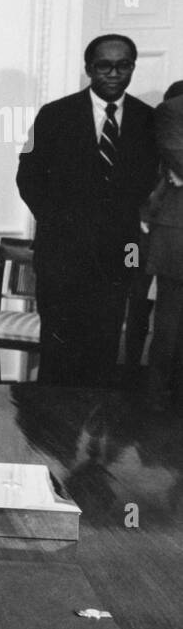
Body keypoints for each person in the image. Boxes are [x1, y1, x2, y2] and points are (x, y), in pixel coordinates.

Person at [17, 34, 159, 386]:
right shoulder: (53, 115)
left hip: (120, 255)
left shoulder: (148, 120)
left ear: (132, 68)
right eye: (104, 66)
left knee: (105, 349)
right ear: (88, 69)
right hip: (60, 254)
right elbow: (27, 176)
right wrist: (60, 224)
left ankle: (96, 436)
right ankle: (49, 439)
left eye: (123, 65)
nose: (114, 73)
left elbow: (151, 183)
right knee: (58, 349)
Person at [144, 81, 183, 405]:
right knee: (169, 326)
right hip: (177, 237)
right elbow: (177, 156)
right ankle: (155, 410)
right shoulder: (172, 110)